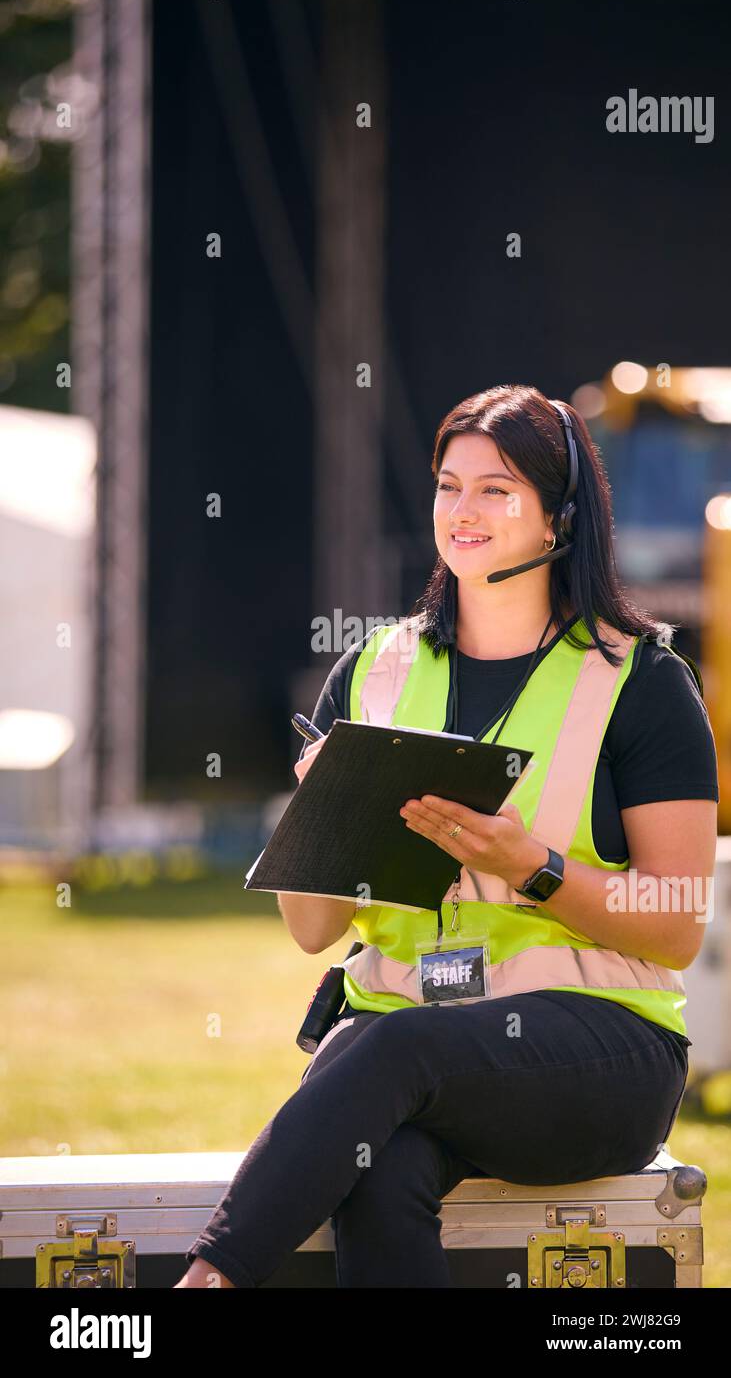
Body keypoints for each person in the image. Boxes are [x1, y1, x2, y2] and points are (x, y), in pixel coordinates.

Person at [175, 384, 718, 1289]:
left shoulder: (643, 682)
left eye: (495, 489)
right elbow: (313, 930)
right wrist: (324, 820)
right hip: (408, 1048)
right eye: (446, 485)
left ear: (560, 517)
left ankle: (208, 1283)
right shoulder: (372, 670)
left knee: (380, 1046)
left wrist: (532, 870)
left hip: (599, 1057)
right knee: (379, 1170)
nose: (460, 511)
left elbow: (675, 923)